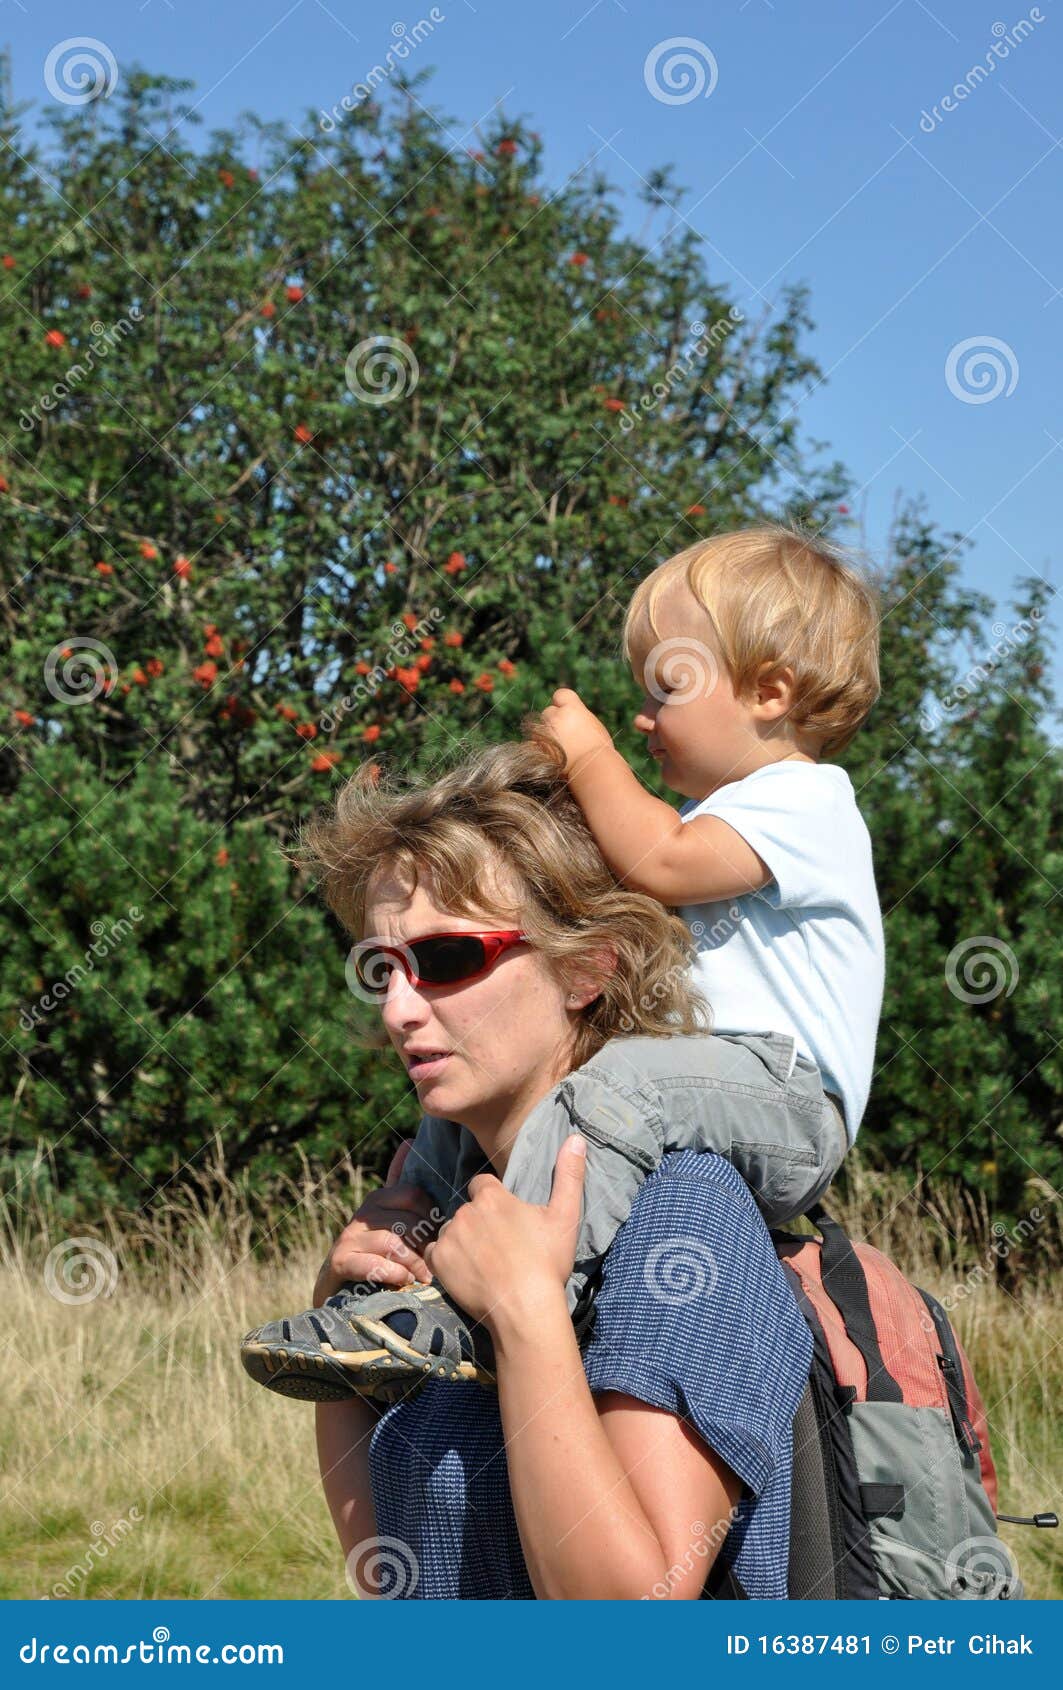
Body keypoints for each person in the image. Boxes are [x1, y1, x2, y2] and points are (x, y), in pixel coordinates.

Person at [241, 522, 883, 1397]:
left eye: (667, 688)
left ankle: (508, 1295)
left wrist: (588, 757)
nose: (641, 716)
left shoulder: (805, 801)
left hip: (786, 1097)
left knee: (613, 1087)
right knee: (448, 1127)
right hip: (714, 1081)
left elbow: (654, 863)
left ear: (768, 691)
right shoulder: (730, 818)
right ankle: (391, 1288)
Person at [294, 744, 814, 1597]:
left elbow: (628, 1633)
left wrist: (528, 1316)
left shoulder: (681, 1217)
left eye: (450, 959)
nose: (396, 1008)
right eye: (382, 967)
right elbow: (386, 1574)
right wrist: (338, 1349)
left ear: (587, 965)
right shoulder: (451, 1217)